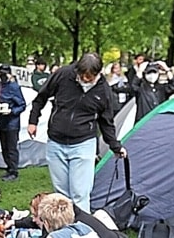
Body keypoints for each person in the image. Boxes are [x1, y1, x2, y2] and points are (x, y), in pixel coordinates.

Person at [29, 53, 125, 209]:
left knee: (80, 193)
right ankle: (63, 230)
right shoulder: (63, 74)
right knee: (61, 195)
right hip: (56, 142)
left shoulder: (103, 90)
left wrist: (115, 145)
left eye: (90, 77)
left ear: (98, 73)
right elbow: (41, 97)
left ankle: (82, 230)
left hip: (83, 144)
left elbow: (106, 121)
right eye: (82, 75)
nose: (85, 79)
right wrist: (33, 121)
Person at [0, 64, 27, 181]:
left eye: (3, 74)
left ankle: (14, 171)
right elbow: (0, 99)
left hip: (12, 122)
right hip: (2, 120)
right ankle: (9, 168)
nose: (2, 76)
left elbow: (22, 104)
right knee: (4, 147)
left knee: (12, 147)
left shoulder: (14, 87)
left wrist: (11, 111)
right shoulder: (0, 85)